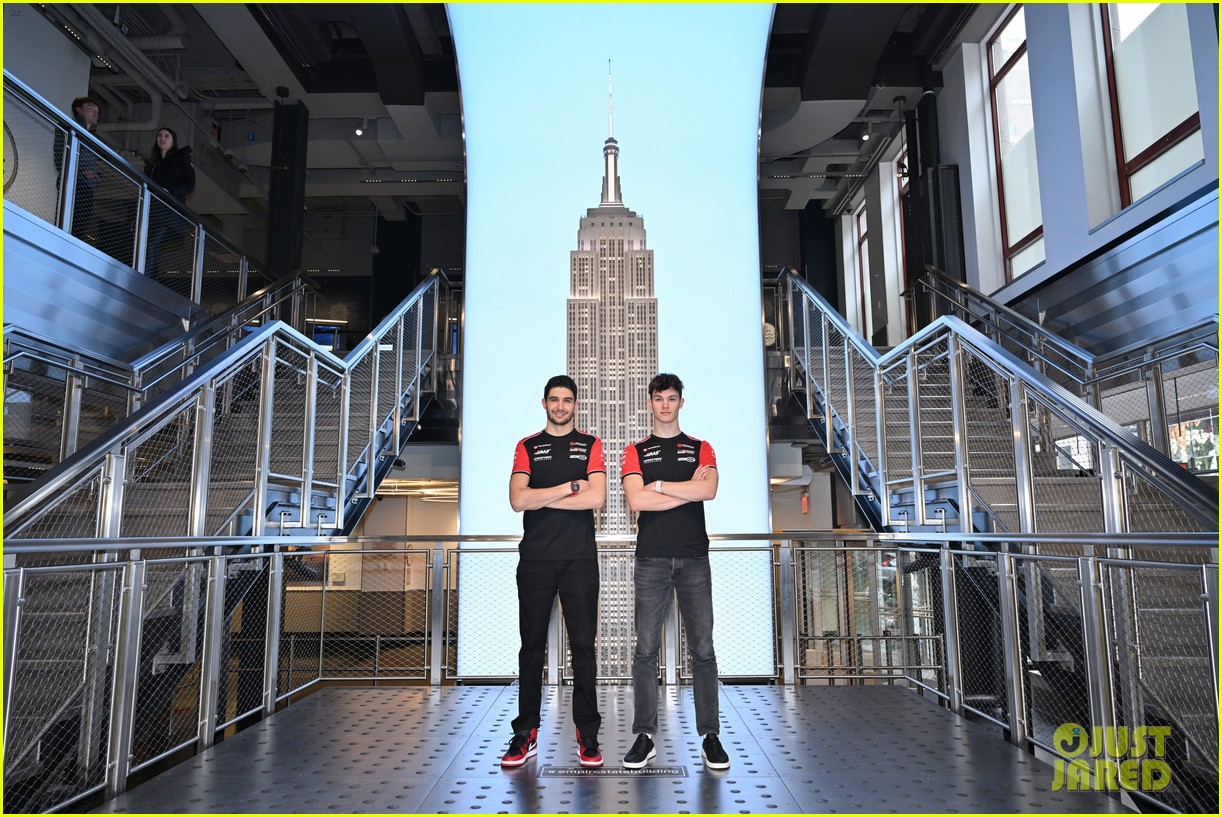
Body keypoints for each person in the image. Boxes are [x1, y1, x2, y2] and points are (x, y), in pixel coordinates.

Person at [620, 373, 730, 770]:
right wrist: (684, 489)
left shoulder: (701, 447)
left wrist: (659, 485)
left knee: (703, 650)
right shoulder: (635, 451)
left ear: (681, 402)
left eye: (671, 398)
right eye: (659, 398)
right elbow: (636, 501)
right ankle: (644, 736)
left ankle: (710, 736)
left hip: (694, 559)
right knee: (645, 651)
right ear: (650, 403)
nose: (665, 404)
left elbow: (708, 491)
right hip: (651, 559)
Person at [502, 375, 607, 768]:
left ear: (575, 404)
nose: (560, 406)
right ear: (543, 403)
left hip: (579, 560)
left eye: (567, 400)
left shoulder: (590, 444)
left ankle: (588, 733)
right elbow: (517, 500)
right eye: (554, 400)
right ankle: (525, 732)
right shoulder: (527, 446)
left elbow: (596, 498)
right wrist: (569, 487)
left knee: (583, 647)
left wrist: (541, 498)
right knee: (531, 648)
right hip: (535, 561)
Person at [143, 127, 196, 273]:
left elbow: (190, 185)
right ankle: (150, 278)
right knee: (149, 245)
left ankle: (146, 277)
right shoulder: (151, 164)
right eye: (159, 135)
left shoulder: (182, 159)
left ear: (173, 142)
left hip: (169, 212)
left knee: (152, 244)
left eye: (167, 136)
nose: (162, 138)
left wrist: (170, 192)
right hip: (153, 211)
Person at [55, 96, 101, 242]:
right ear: (79, 110)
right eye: (91, 108)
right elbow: (60, 157)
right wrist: (82, 172)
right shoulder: (70, 127)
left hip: (85, 186)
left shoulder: (89, 137)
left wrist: (95, 174)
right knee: (70, 226)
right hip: (75, 183)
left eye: (97, 110)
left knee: (77, 228)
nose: (96, 112)